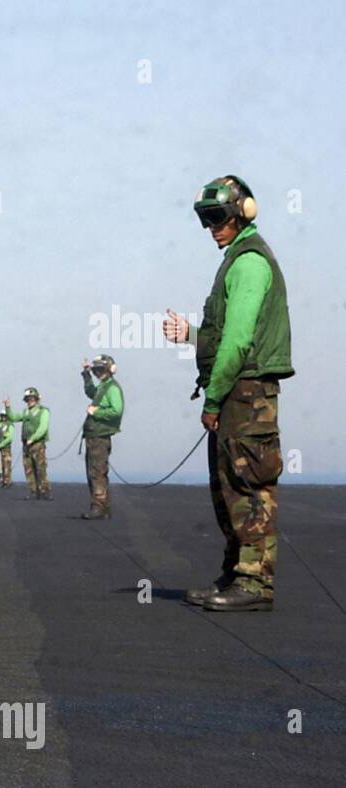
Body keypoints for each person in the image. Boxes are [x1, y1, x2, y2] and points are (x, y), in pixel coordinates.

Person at [163, 175, 293, 611]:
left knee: (250, 486)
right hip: (238, 392)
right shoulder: (237, 260)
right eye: (205, 220)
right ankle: (236, 575)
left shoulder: (250, 263)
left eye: (217, 218)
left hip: (246, 395)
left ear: (244, 212)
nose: (212, 228)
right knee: (229, 489)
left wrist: (214, 400)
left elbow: (238, 343)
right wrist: (192, 336)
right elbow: (228, 337)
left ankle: (255, 585)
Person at [79, 355, 124, 520]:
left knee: (97, 472)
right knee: (94, 471)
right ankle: (102, 507)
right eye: (95, 369)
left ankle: (98, 507)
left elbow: (116, 411)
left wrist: (96, 412)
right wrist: (86, 375)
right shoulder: (103, 387)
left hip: (100, 436)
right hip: (93, 435)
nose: (97, 372)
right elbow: (91, 392)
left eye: (99, 369)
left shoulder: (112, 388)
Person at [5, 388, 52, 500]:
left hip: (38, 444)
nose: (29, 401)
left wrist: (33, 438)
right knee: (28, 468)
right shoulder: (26, 412)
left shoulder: (43, 411)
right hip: (26, 444)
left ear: (36, 399)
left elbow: (43, 427)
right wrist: (7, 407)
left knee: (41, 468)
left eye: (32, 398)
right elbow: (13, 417)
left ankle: (45, 491)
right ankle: (33, 491)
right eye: (27, 399)